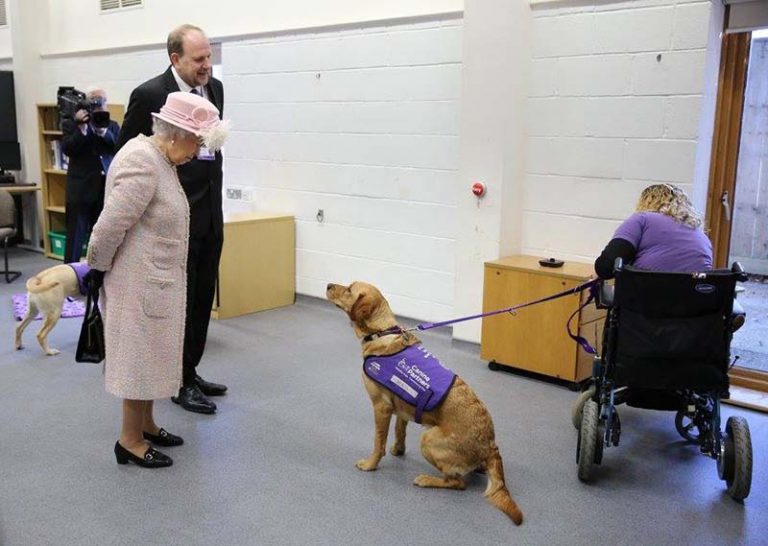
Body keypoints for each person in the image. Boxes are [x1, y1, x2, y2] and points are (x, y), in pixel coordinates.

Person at [86, 92, 229, 468]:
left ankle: (146, 425)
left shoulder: (162, 159)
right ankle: (129, 441)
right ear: (174, 133)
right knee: (138, 361)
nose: (198, 150)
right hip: (137, 285)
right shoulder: (142, 162)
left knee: (150, 359)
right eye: (197, 141)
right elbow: (109, 226)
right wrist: (95, 269)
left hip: (155, 282)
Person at [117, 24, 227, 414]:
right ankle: (178, 381)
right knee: (177, 303)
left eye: (209, 57)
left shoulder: (215, 90)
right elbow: (127, 156)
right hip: (170, 222)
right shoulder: (149, 94)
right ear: (174, 58)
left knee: (200, 299)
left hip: (210, 216)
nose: (206, 65)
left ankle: (191, 371)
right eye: (198, 59)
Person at [595, 183, 744, 328]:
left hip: (642, 325)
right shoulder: (701, 236)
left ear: (645, 202)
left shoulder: (641, 219)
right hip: (693, 330)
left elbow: (605, 267)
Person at [60, 87, 120, 263]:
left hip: (104, 188)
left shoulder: (112, 125)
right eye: (93, 101)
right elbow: (68, 149)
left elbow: (119, 147)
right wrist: (82, 129)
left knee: (101, 236)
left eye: (101, 101)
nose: (97, 105)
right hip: (81, 189)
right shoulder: (72, 124)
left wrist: (103, 133)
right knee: (75, 238)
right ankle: (69, 272)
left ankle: (96, 273)